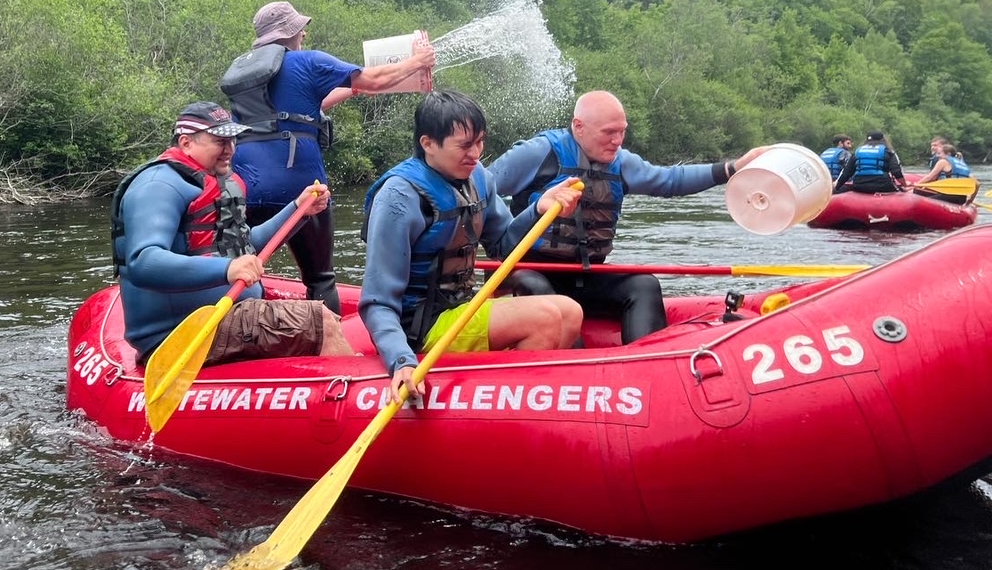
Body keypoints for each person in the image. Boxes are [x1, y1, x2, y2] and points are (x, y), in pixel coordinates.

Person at [486, 90, 771, 345]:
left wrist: (732, 168)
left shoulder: (622, 163)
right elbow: (482, 190)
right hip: (527, 271)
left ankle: (647, 368)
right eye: (609, 132)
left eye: (622, 131)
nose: (617, 140)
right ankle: (577, 368)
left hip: (584, 274)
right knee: (536, 285)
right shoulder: (538, 153)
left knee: (643, 284)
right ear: (579, 127)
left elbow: (669, 181)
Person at [359, 90, 586, 401]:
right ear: (428, 144)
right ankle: (511, 410)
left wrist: (538, 210)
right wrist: (400, 359)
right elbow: (377, 300)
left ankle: (523, 399)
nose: (476, 153)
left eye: (480, 141)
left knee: (570, 312)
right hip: (420, 327)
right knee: (545, 316)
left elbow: (504, 244)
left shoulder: (478, 178)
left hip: (462, 307)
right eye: (465, 145)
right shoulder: (399, 196)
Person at [222, 0, 437, 315]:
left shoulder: (244, 74)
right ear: (292, 32)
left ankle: (241, 331)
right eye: (301, 29)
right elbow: (375, 79)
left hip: (245, 185)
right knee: (320, 278)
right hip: (299, 185)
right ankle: (328, 344)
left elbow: (299, 113)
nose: (304, 35)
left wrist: (352, 89)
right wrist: (418, 61)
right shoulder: (309, 61)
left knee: (244, 266)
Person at [111, 100, 354, 365]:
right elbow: (143, 262)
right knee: (321, 323)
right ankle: (350, 395)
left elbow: (247, 245)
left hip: (226, 318)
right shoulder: (158, 186)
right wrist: (227, 269)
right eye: (219, 141)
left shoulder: (217, 182)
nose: (229, 150)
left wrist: (298, 210)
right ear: (186, 142)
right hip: (182, 334)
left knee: (322, 315)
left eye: (233, 141)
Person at [834, 130, 906, 194]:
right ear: (883, 140)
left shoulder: (857, 151)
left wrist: (837, 188)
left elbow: (846, 173)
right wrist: (904, 184)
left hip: (859, 186)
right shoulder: (888, 151)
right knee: (900, 189)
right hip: (882, 186)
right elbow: (897, 172)